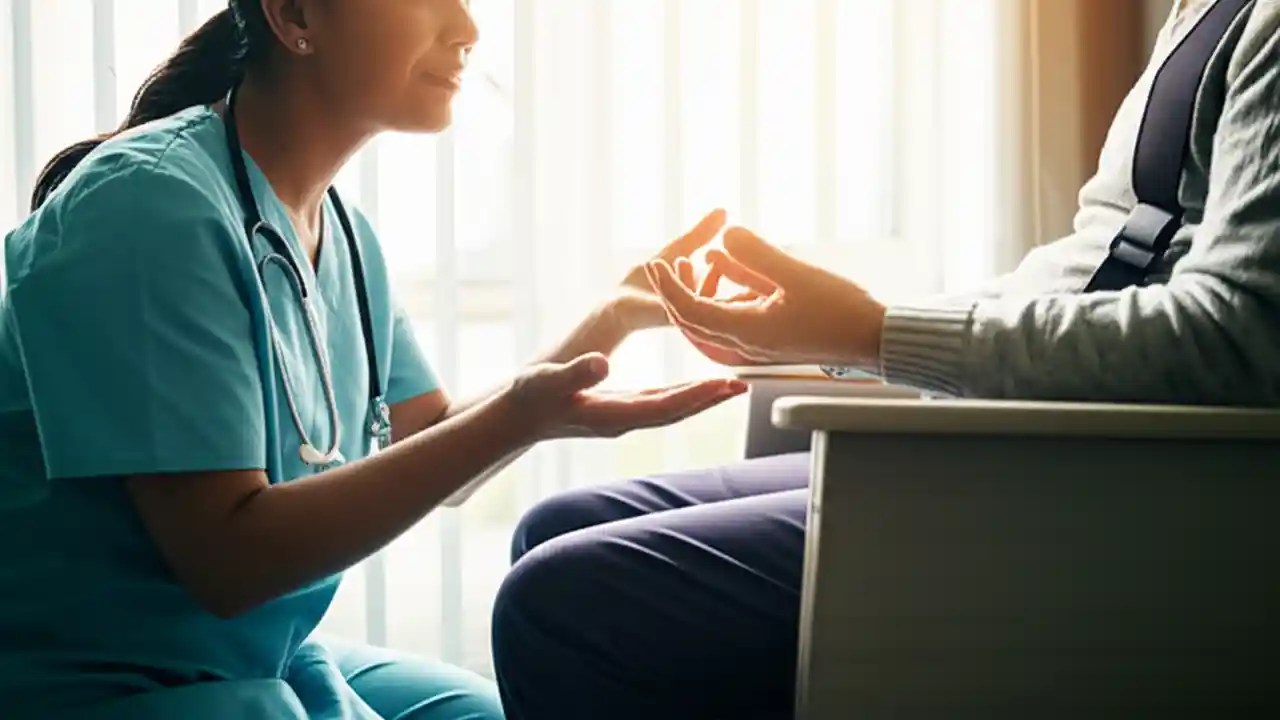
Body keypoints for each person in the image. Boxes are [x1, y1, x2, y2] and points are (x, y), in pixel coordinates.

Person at [490, 0, 1280, 717]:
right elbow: (1087, 274)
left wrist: (870, 333)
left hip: (1122, 490)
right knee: (560, 522)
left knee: (560, 604)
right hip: (1040, 444)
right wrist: (844, 336)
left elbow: (1238, 337)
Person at [0, 1, 746, 718]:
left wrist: (610, 317)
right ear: (294, 16)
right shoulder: (146, 208)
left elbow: (434, 442)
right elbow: (229, 559)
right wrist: (520, 416)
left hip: (258, 656)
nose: (466, 28)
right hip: (97, 676)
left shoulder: (342, 234)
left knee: (496, 710)